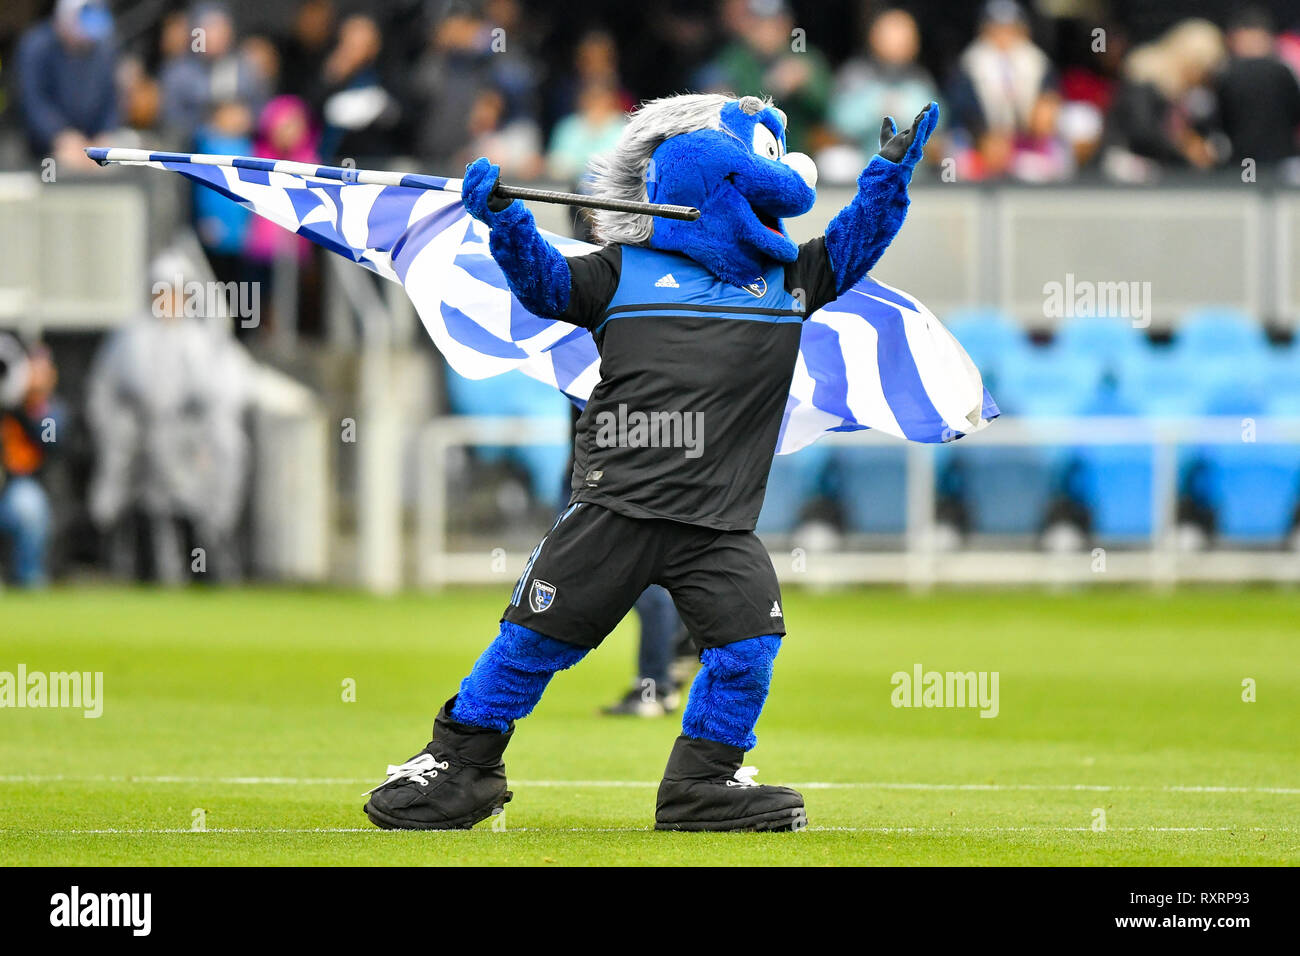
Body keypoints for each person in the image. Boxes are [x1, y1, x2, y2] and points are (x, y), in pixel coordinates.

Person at [361, 92, 936, 832]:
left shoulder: (790, 278)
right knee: (532, 646)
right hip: (615, 508)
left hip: (719, 524)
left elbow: (862, 235)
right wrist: (506, 222)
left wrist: (889, 175)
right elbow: (543, 285)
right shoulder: (620, 269)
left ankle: (702, 785)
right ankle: (461, 765)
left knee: (747, 649)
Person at [86, 254, 253, 584]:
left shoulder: (203, 341)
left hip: (190, 446)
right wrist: (120, 435)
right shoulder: (129, 338)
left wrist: (201, 444)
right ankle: (135, 567)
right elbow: (104, 394)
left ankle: (207, 568)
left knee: (195, 516)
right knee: (146, 515)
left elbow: (221, 401)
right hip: (140, 446)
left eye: (176, 292)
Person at [15, 0, 119, 168]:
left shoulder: (103, 48)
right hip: (43, 151)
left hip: (92, 146)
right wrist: (61, 137)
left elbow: (111, 98)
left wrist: (105, 135)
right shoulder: (36, 45)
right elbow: (33, 101)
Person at [829, 8, 940, 164]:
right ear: (874, 37)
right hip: (862, 161)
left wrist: (902, 109)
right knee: (836, 160)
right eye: (891, 36)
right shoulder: (855, 74)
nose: (898, 43)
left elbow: (938, 124)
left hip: (911, 167)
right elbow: (838, 122)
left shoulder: (920, 78)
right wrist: (876, 107)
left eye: (905, 37)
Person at [0, 336, 58, 588]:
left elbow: (53, 439)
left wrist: (33, 401)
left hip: (11, 492)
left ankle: (29, 578)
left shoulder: (41, 410)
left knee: (29, 506)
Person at [1216, 8, 1300, 167]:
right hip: (1281, 157)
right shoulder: (1282, 71)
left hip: (1244, 160)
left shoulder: (1227, 73)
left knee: (1246, 186)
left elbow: (1220, 119)